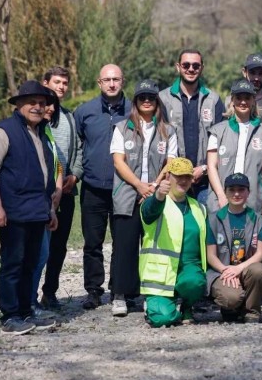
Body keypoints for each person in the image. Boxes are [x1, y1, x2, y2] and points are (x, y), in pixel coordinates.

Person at [0, 81, 59, 335]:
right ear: (18, 105)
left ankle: (27, 310)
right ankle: (10, 315)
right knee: (13, 263)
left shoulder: (41, 132)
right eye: (31, 102)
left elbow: (44, 176)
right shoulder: (4, 131)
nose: (37, 107)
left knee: (31, 263)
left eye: (41, 103)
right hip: (13, 211)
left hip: (38, 211)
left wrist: (50, 210)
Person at [110, 79, 177, 317]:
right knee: (125, 246)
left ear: (157, 101)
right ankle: (120, 295)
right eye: (142, 98)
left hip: (156, 193)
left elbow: (171, 162)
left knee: (153, 247)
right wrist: (139, 185)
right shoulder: (121, 128)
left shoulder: (168, 130)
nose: (146, 101)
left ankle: (150, 293)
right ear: (135, 101)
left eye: (150, 97)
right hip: (128, 193)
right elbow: (119, 161)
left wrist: (155, 187)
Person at [74, 64, 132, 309]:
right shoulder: (84, 111)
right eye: (107, 80)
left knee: (123, 242)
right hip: (93, 187)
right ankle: (93, 290)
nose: (111, 84)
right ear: (99, 83)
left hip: (125, 187)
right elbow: (77, 146)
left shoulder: (135, 110)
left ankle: (120, 290)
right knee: (92, 243)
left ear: (123, 81)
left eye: (116, 79)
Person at [139, 158, 208, 327]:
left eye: (187, 176)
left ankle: (186, 306)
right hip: (160, 277)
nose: (183, 181)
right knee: (163, 319)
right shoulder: (156, 201)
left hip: (188, 269)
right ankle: (160, 306)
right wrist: (159, 195)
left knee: (195, 282)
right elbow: (148, 213)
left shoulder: (199, 207)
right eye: (178, 176)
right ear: (168, 176)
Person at [40, 66, 83, 311]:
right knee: (36, 246)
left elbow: (78, 151)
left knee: (59, 246)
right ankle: (25, 298)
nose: (61, 87)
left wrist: (74, 176)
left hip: (65, 193)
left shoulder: (68, 117)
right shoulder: (34, 114)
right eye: (57, 82)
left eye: (65, 83)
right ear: (45, 82)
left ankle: (50, 292)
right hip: (40, 194)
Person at [158, 49, 225, 204]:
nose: (190, 69)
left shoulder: (213, 100)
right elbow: (159, 140)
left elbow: (221, 141)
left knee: (203, 225)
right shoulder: (163, 98)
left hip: (204, 180)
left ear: (201, 67)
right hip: (174, 178)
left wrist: (204, 168)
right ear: (178, 67)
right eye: (186, 65)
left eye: (195, 65)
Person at [205, 173, 262, 323]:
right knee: (231, 298)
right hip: (222, 271)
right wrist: (226, 270)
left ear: (248, 192)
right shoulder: (213, 218)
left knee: (259, 270)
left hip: (246, 269)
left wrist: (238, 269)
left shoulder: (257, 219)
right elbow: (211, 255)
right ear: (225, 192)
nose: (236, 194)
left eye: (241, 189)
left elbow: (260, 254)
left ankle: (252, 310)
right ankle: (232, 307)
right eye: (232, 190)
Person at [206, 79, 262, 219]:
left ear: (253, 100)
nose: (243, 102)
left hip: (253, 201)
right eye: (239, 98)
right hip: (222, 200)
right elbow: (211, 167)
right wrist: (221, 196)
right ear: (232, 100)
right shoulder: (218, 131)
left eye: (247, 98)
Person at [29, 96, 63, 319]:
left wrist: (58, 191)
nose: (48, 109)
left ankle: (31, 301)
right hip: (32, 204)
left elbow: (57, 164)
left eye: (52, 106)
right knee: (35, 255)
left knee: (43, 254)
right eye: (44, 105)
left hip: (48, 203)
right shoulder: (31, 133)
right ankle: (28, 303)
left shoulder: (47, 133)